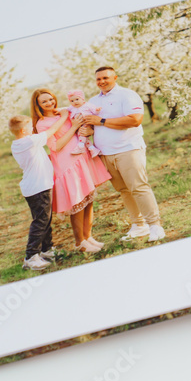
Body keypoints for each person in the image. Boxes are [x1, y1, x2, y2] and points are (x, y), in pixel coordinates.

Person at [80, 66, 165, 243]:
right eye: (98, 79)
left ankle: (155, 226)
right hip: (105, 153)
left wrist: (101, 121)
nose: (102, 82)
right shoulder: (93, 101)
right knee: (123, 190)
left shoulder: (127, 95)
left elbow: (135, 120)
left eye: (105, 78)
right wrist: (87, 129)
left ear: (115, 77)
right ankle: (138, 225)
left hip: (128, 149)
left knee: (139, 187)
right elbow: (93, 124)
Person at [31, 88, 112, 253]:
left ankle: (88, 237)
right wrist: (73, 126)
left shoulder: (64, 112)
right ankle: (79, 242)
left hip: (82, 158)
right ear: (38, 105)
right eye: (44, 101)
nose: (49, 103)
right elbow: (56, 146)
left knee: (89, 200)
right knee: (78, 203)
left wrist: (86, 129)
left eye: (51, 99)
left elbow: (83, 124)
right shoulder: (42, 123)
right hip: (67, 163)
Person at [9, 110, 68, 271]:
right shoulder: (27, 142)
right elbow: (50, 132)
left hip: (39, 185)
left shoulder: (24, 142)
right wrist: (63, 117)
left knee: (45, 219)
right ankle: (30, 256)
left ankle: (46, 249)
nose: (33, 128)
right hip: (37, 187)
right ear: (23, 131)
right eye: (30, 126)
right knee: (41, 221)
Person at [66, 89, 102, 157]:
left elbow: (94, 111)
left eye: (77, 99)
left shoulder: (88, 105)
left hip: (86, 122)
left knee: (82, 132)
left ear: (82, 99)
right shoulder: (72, 107)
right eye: (72, 101)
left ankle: (80, 146)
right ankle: (92, 149)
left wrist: (97, 110)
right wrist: (58, 111)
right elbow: (66, 109)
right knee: (84, 136)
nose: (75, 102)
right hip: (79, 124)